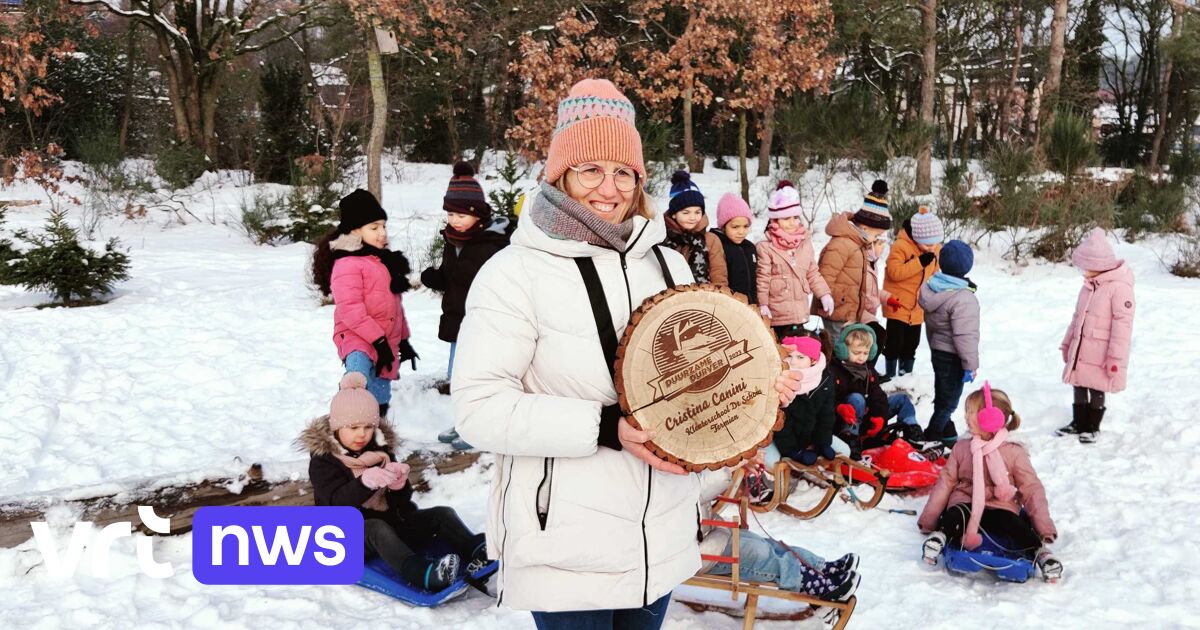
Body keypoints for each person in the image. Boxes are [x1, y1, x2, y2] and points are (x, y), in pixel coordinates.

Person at [450, 78, 803, 628]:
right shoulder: (514, 274)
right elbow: (478, 407)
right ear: (560, 173)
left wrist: (758, 391)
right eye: (590, 168)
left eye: (623, 172)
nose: (608, 188)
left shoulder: (668, 267)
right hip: (567, 549)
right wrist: (605, 425)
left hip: (658, 540)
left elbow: (704, 379)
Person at [297, 373, 489, 592]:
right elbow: (334, 503)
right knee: (376, 528)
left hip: (391, 528)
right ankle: (422, 574)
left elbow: (401, 504)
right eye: (353, 428)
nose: (362, 434)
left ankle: (476, 550)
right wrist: (364, 484)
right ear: (337, 428)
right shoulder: (324, 461)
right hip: (343, 539)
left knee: (441, 514)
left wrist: (398, 486)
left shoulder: (380, 450)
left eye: (368, 427)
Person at [918, 385, 1062, 580]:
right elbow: (945, 483)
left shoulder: (1013, 451)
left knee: (1015, 524)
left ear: (990, 418)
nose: (966, 417)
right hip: (967, 503)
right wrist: (930, 520)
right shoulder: (962, 447)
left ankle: (1040, 553)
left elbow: (1031, 489)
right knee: (956, 514)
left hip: (1001, 506)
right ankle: (940, 537)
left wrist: (1044, 527)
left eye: (971, 413)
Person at [421, 161, 510, 450]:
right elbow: (455, 276)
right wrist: (437, 278)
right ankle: (463, 422)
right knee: (456, 379)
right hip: (458, 320)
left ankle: (477, 429)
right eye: (450, 213)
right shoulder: (452, 240)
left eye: (461, 214)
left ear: (477, 213)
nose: (454, 220)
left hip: (484, 324)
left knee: (476, 379)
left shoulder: (493, 244)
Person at [311, 189, 418, 417]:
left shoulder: (380, 260)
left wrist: (404, 340)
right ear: (354, 230)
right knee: (357, 387)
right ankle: (347, 430)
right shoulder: (347, 263)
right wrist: (377, 340)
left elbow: (394, 307)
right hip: (357, 340)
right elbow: (350, 310)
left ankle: (376, 434)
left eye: (383, 226)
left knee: (379, 398)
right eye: (374, 227)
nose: (382, 233)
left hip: (384, 341)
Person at [698, 466, 860, 599]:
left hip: (711, 531)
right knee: (757, 553)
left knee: (765, 544)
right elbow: (704, 487)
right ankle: (814, 584)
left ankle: (820, 568)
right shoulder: (675, 476)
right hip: (697, 551)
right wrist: (738, 462)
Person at [1056, 227, 1135, 444]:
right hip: (1082, 347)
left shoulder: (1119, 289)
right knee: (1079, 383)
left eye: (1085, 266)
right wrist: (1067, 343)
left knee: (1097, 385)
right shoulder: (1089, 286)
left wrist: (1115, 359)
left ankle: (1092, 426)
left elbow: (1122, 329)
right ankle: (1078, 422)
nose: (1082, 271)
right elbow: (1077, 317)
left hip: (1102, 351)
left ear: (1098, 265)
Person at [917, 240, 980, 447]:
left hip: (938, 351)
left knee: (943, 394)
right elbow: (965, 336)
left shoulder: (933, 287)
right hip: (954, 356)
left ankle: (947, 432)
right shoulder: (963, 299)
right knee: (949, 402)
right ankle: (932, 436)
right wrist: (970, 365)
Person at [755, 181, 833, 340]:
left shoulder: (804, 242)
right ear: (775, 221)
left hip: (799, 313)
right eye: (786, 218)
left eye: (796, 217)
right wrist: (763, 304)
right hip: (776, 316)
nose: (792, 222)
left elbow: (812, 272)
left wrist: (824, 294)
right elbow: (763, 278)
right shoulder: (766, 246)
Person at [813, 187, 893, 342]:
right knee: (836, 349)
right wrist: (839, 301)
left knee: (846, 349)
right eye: (876, 235)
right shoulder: (842, 244)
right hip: (835, 311)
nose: (876, 239)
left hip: (848, 312)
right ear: (864, 228)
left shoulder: (858, 244)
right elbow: (825, 276)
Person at [829, 324, 920, 457]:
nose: (861, 357)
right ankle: (851, 437)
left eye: (865, 353)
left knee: (901, 399)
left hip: (866, 419)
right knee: (856, 398)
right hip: (843, 420)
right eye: (856, 353)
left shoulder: (868, 370)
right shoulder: (834, 370)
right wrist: (839, 407)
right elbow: (827, 398)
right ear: (843, 349)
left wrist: (880, 417)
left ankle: (912, 431)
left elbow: (878, 396)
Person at [881, 206, 943, 379]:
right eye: (927, 244)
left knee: (912, 344)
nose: (931, 248)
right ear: (917, 238)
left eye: (934, 244)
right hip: (898, 303)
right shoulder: (901, 246)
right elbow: (894, 272)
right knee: (895, 342)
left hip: (918, 306)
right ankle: (890, 375)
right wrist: (919, 262)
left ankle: (906, 375)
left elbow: (935, 272)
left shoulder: (935, 248)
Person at [769, 335, 837, 466]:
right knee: (772, 463)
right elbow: (780, 423)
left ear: (813, 361)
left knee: (844, 450)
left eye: (800, 357)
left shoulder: (824, 380)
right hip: (781, 438)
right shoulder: (780, 380)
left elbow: (826, 415)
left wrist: (823, 442)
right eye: (789, 356)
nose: (793, 362)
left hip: (809, 434)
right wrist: (794, 451)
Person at [661, 170, 727, 286]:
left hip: (704, 298)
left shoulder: (711, 240)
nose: (692, 217)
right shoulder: (661, 237)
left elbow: (718, 273)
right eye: (686, 213)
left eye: (697, 212)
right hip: (670, 299)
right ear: (674, 214)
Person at [710, 192, 758, 303]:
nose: (741, 232)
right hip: (729, 307)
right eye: (735, 227)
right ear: (723, 226)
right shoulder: (718, 245)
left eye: (746, 226)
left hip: (751, 306)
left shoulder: (750, 247)